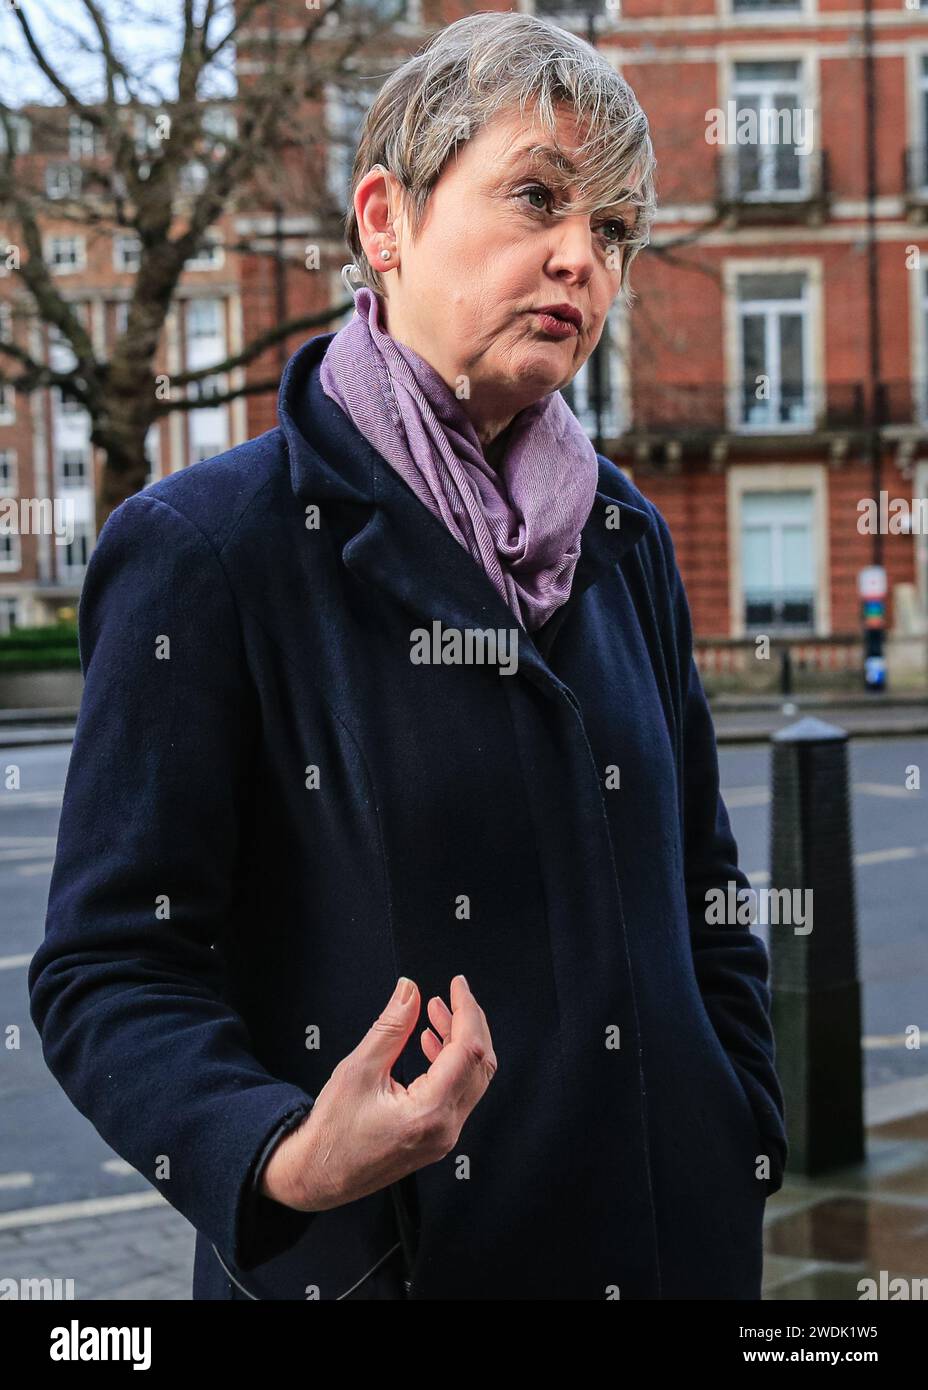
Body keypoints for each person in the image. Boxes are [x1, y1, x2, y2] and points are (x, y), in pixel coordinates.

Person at [28, 11, 787, 1301]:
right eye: (538, 198)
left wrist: (738, 1122)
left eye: (612, 232)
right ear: (385, 220)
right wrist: (277, 1155)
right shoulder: (208, 551)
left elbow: (705, 886)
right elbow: (106, 969)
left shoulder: (625, 536)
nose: (581, 261)